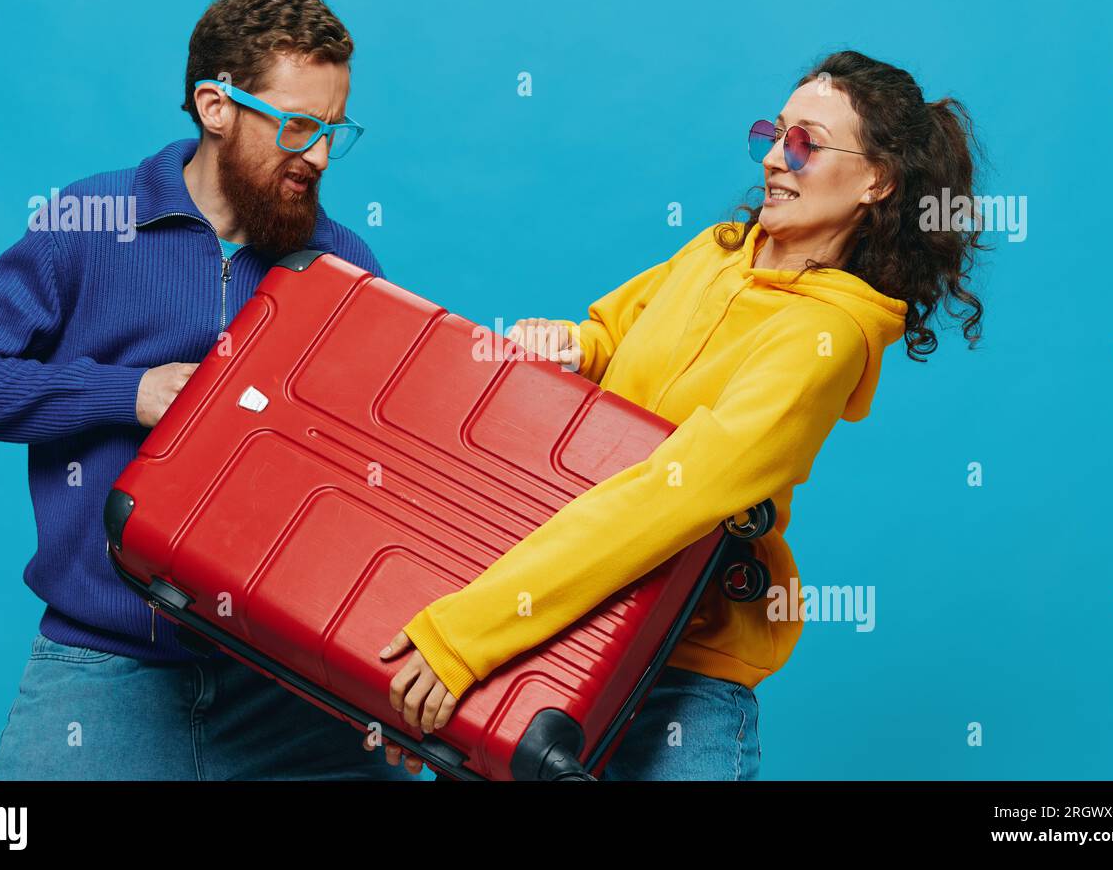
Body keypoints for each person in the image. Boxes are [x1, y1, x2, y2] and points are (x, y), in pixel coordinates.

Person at [368, 50, 988, 779]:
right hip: (566, 621)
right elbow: (614, 336)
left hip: (678, 672)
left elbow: (672, 496)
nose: (773, 162)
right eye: (773, 134)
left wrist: (466, 635)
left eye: (806, 144)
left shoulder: (828, 340)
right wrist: (572, 346)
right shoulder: (719, 251)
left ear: (876, 181)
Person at [0, 0, 420, 781]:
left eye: (334, 130)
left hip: (289, 688)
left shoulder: (344, 264)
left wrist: (383, 681)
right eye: (296, 128)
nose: (317, 156)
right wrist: (126, 393)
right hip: (103, 669)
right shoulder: (88, 220)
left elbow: (387, 486)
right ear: (217, 107)